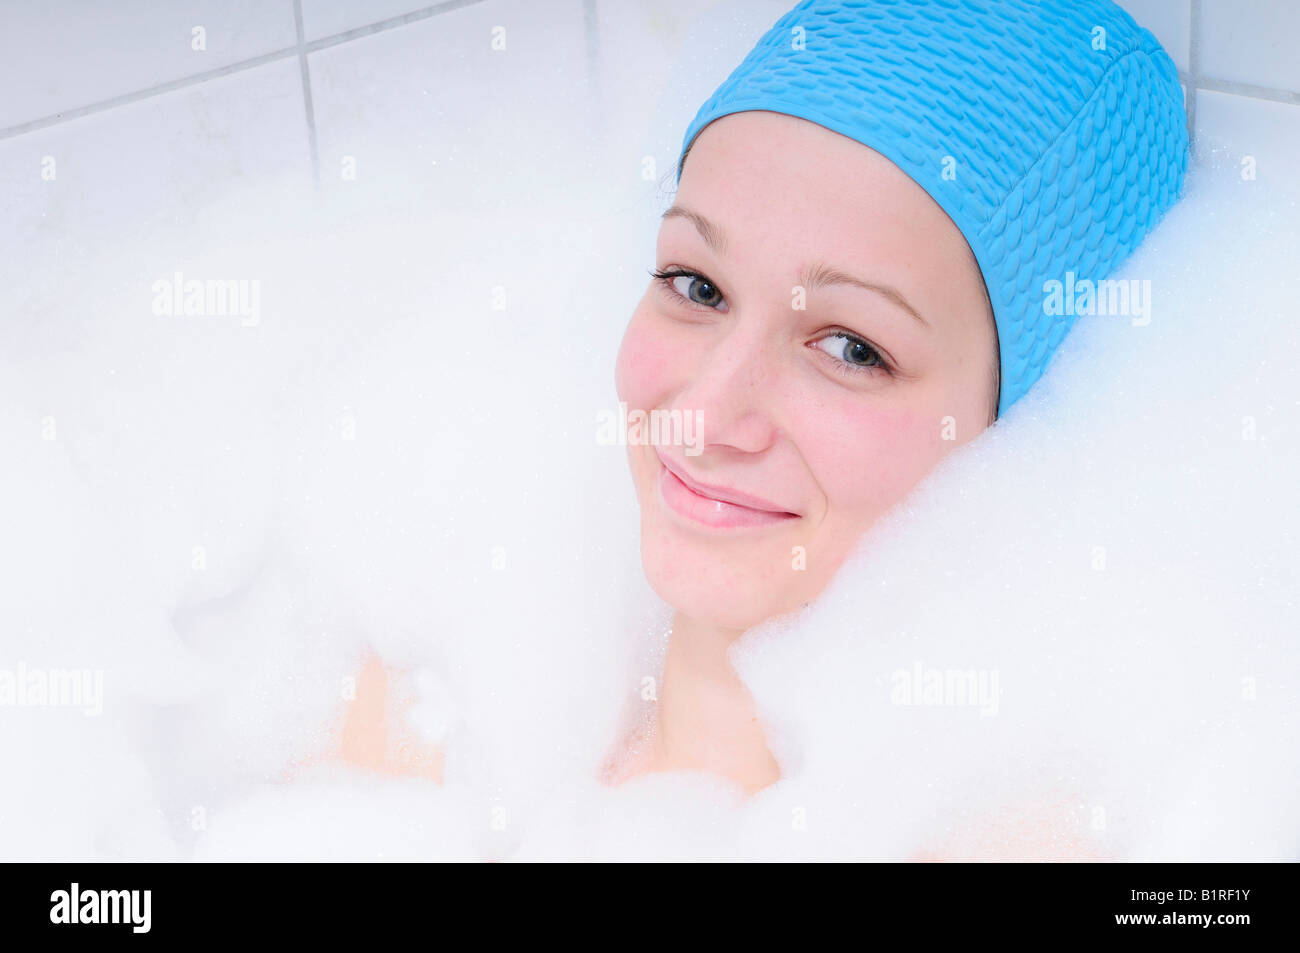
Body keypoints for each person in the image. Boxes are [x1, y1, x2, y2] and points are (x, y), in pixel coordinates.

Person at [327, 0, 1188, 856]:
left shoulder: (1023, 837)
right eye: (697, 285)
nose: (704, 416)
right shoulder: (434, 711)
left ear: (1027, 429)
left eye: (851, 346)